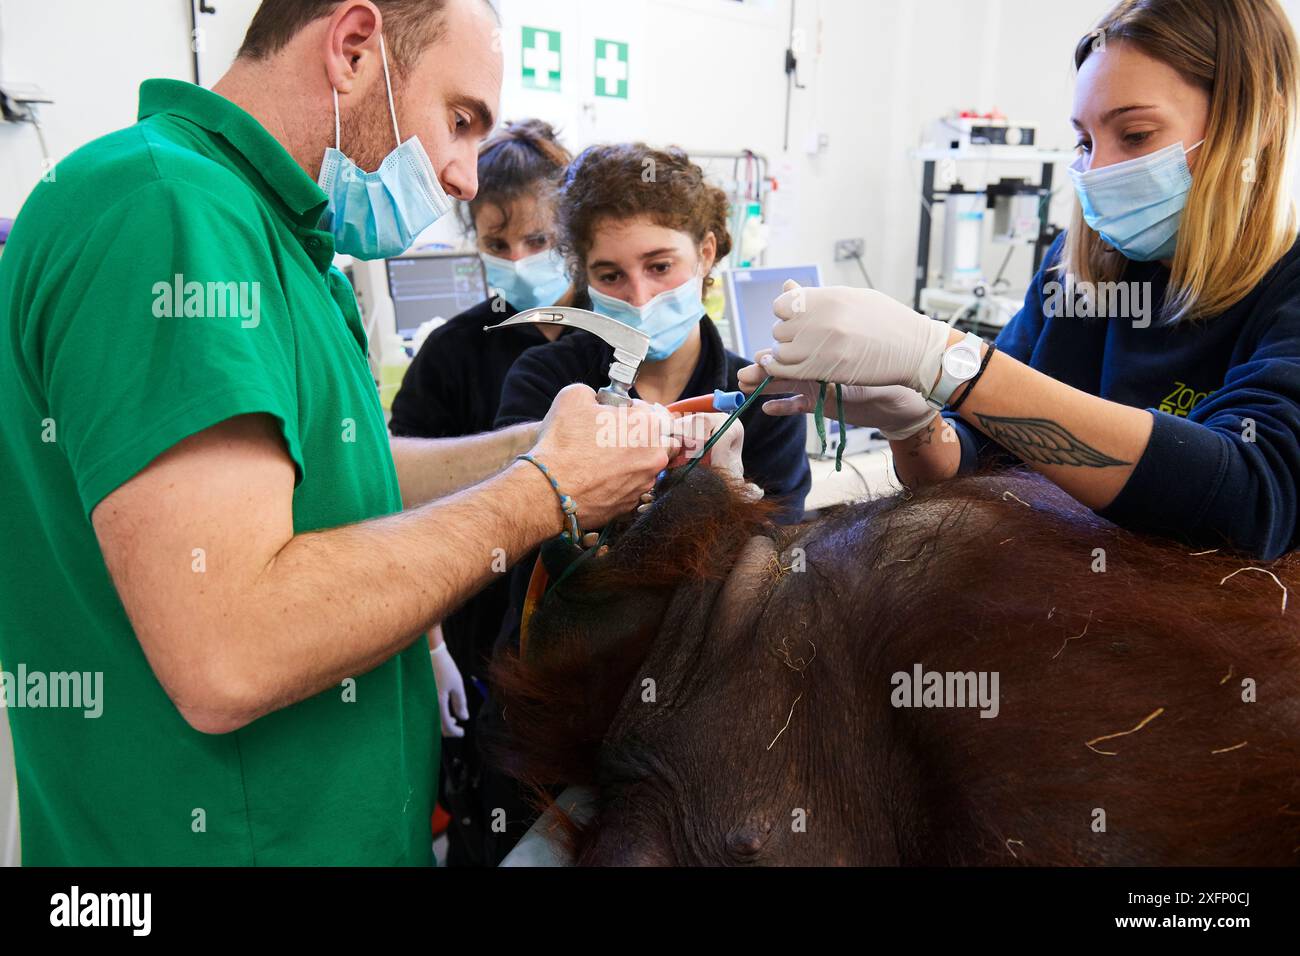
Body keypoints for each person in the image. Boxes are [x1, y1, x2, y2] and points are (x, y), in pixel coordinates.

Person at [0, 0, 677, 866]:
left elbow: (337, 475)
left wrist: (533, 448)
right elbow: (230, 646)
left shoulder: (280, 241)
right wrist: (544, 495)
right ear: (354, 48)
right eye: (459, 120)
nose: (467, 177)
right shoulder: (170, 210)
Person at [743, 0, 1300, 560]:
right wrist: (915, 426)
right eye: (1084, 142)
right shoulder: (1077, 272)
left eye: (1135, 135)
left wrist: (945, 359)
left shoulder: (1287, 290)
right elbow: (983, 454)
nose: (1096, 173)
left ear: (1256, 125)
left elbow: (1251, 502)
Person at [388, 118, 575, 866]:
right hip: (484, 652)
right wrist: (430, 643)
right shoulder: (454, 352)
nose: (519, 261)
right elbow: (396, 493)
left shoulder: (615, 342)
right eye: (496, 245)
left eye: (536, 240)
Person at [496, 143, 811, 520]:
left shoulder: (765, 402)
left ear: (706, 253)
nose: (639, 298)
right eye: (611, 275)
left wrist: (723, 498)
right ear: (585, 277)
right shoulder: (544, 381)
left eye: (659, 267)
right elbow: (525, 538)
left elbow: (771, 561)